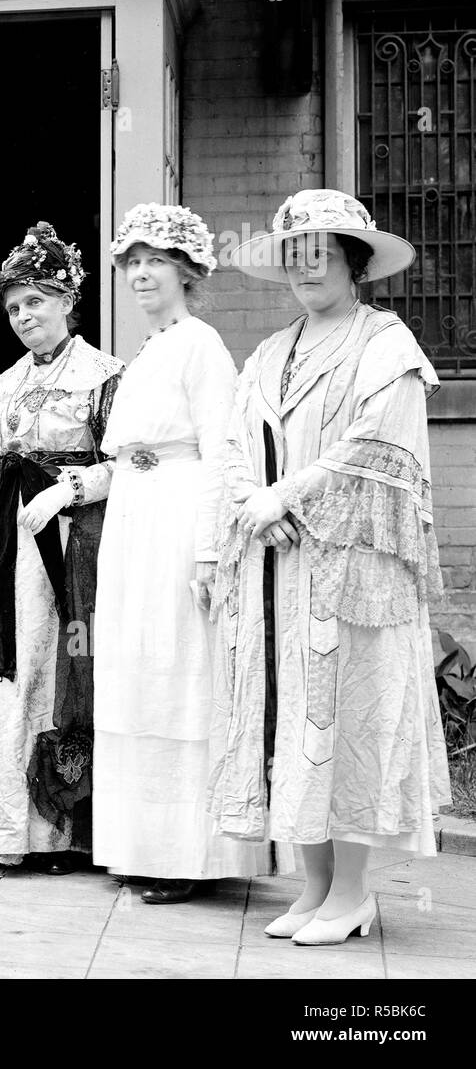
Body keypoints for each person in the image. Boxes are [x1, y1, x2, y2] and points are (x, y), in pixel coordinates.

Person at [209, 189, 451, 945]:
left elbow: (377, 452)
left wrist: (287, 496)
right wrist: (257, 502)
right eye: (294, 253)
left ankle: (353, 892)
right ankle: (312, 885)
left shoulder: (386, 344)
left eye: (321, 252)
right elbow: (231, 444)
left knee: (346, 713)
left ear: (354, 263)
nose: (305, 267)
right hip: (277, 564)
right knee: (287, 713)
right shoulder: (270, 352)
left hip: (351, 571)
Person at [92, 204, 270, 903]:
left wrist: (206, 553)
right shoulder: (148, 348)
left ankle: (186, 854)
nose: (140, 273)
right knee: (136, 670)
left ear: (187, 272)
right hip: (133, 516)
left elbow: (222, 452)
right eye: (131, 262)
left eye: (154, 262)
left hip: (177, 515)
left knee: (177, 672)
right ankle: (139, 844)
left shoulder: (201, 344)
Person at [0, 225, 123, 871]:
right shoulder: (5, 381)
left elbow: (127, 464)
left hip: (70, 547)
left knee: (59, 670)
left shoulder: (105, 374)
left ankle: (56, 832)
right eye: (15, 306)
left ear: (66, 302)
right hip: (6, 542)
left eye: (36, 302)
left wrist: (73, 487)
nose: (24, 316)